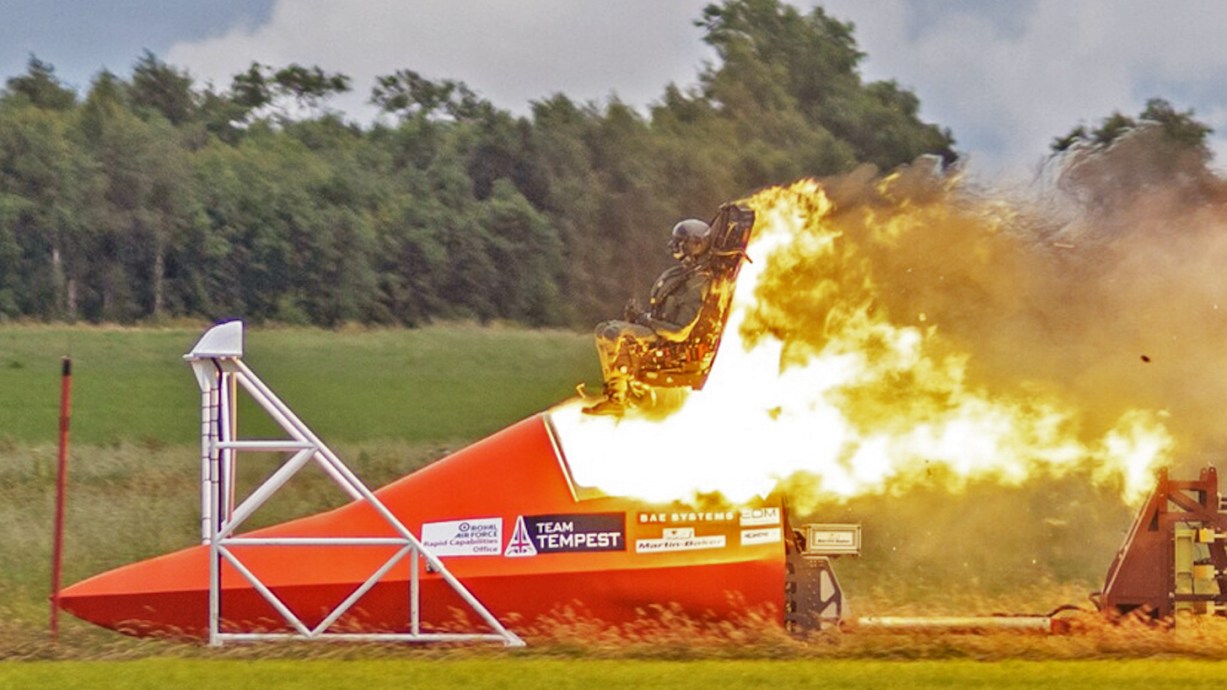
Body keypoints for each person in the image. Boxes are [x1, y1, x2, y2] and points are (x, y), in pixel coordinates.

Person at [583, 218, 715, 415]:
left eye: (681, 242)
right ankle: (617, 392)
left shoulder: (697, 282)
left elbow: (679, 332)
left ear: (696, 244)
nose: (675, 246)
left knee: (613, 333)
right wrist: (640, 317)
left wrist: (642, 319)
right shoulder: (680, 274)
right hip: (658, 329)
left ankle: (619, 397)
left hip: (670, 339)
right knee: (603, 329)